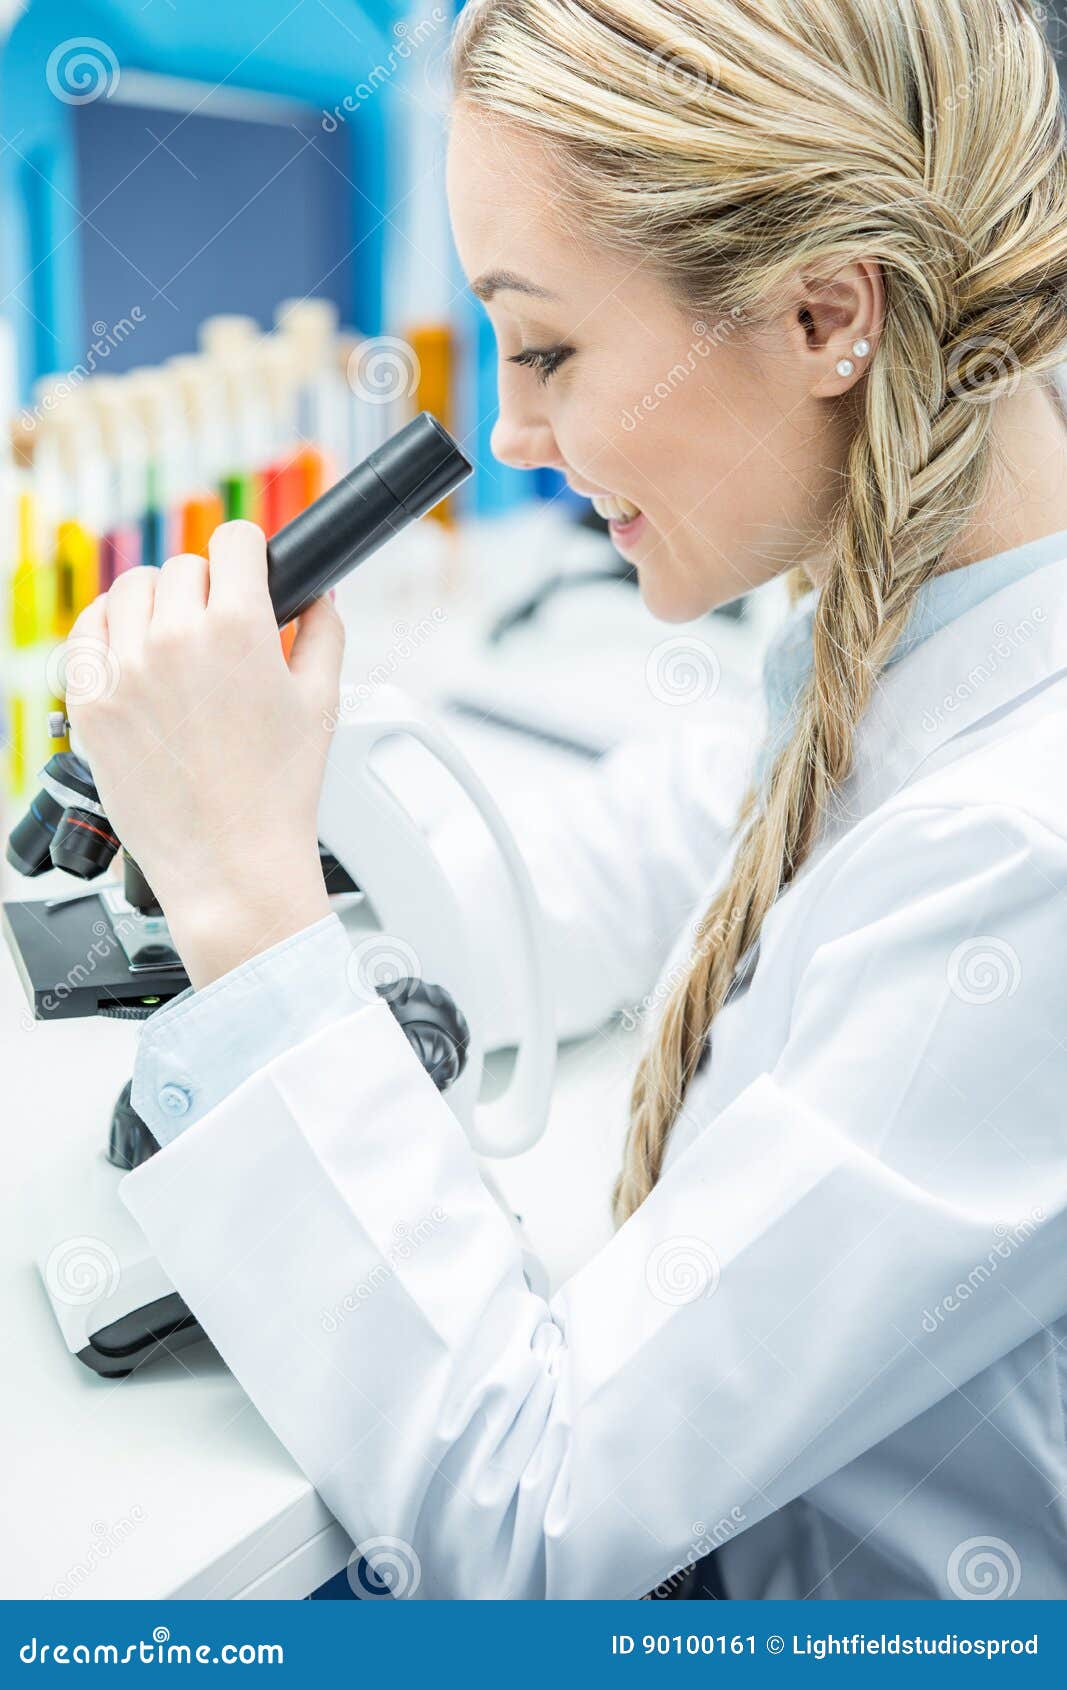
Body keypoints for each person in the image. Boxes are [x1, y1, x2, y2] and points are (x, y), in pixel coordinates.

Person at [67, 0, 1067, 1599]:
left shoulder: (1025, 853)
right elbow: (612, 873)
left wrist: (252, 912)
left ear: (827, 315)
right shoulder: (897, 640)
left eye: (546, 348)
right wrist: (258, 824)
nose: (517, 435)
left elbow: (530, 1529)